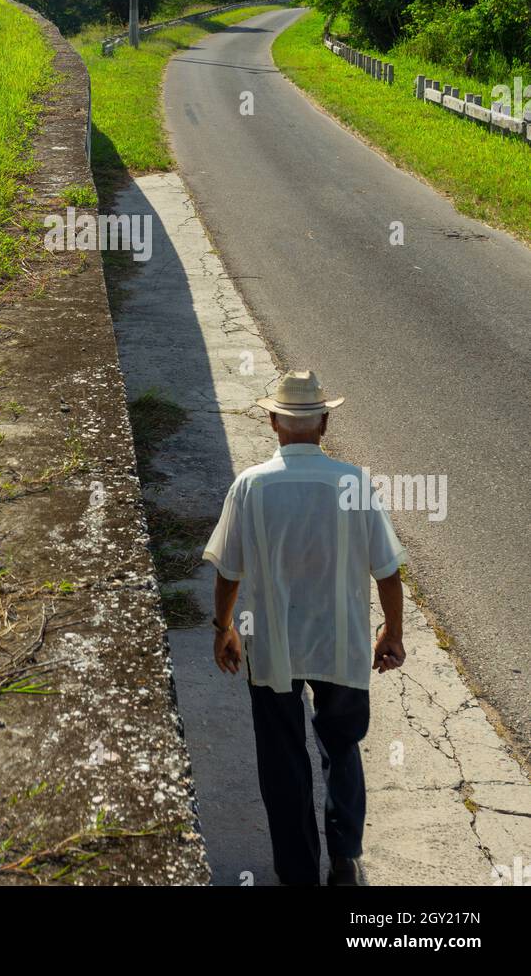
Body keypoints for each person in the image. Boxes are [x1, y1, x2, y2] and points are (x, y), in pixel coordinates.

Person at [202, 370, 405, 887]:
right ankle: (344, 859)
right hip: (341, 645)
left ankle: (296, 871)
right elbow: (387, 569)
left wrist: (222, 627)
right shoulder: (354, 483)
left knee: (282, 756)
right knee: (341, 746)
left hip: (272, 648)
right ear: (325, 424)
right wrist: (392, 633)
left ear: (272, 422)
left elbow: (229, 571)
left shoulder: (249, 485)